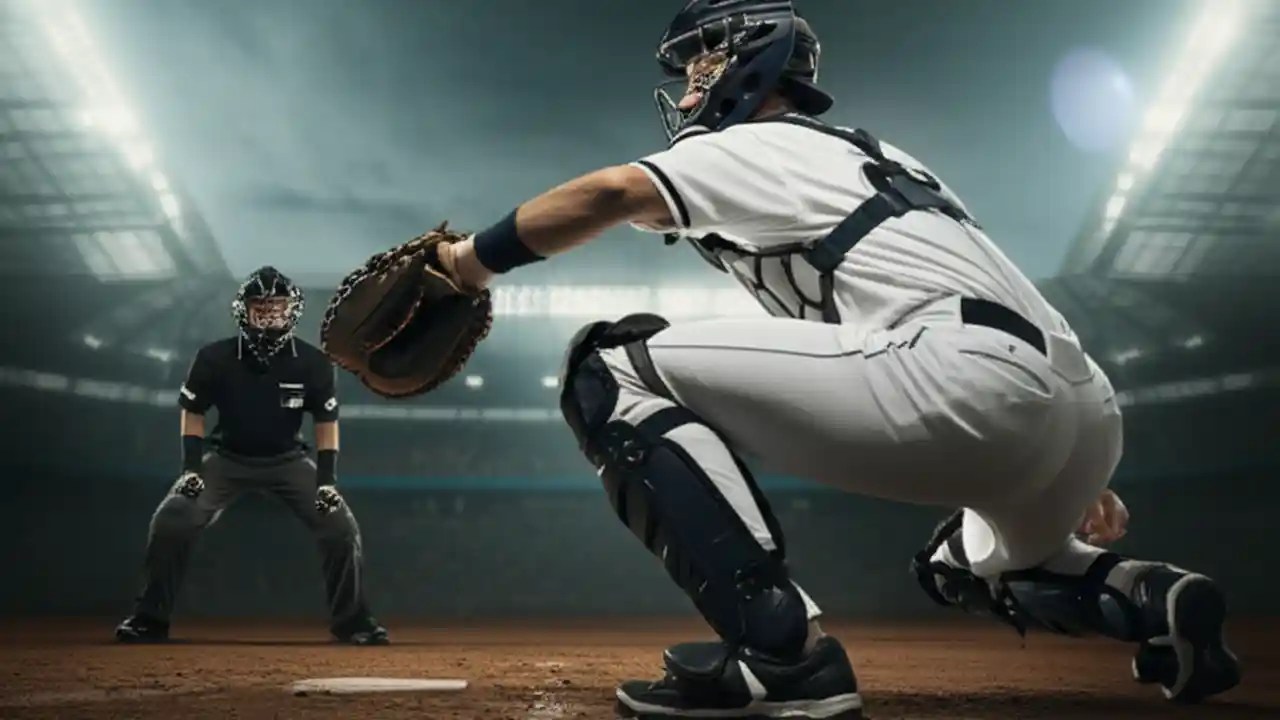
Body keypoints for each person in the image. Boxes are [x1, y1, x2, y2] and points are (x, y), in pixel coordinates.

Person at [432, 1, 1241, 716]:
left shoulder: (757, 142)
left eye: (701, 64)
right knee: (961, 565)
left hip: (960, 378)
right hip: (1075, 401)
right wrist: (1072, 458)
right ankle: (1148, 598)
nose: (685, 91)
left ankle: (781, 658)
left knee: (609, 365)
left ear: (750, 65)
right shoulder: (880, 158)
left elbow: (612, 194)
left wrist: (466, 263)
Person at [115, 266, 388, 645]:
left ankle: (353, 622)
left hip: (288, 461)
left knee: (341, 527)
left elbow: (326, 422)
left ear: (292, 311)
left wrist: (327, 482)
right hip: (227, 458)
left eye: (278, 308)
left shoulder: (313, 362)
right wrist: (191, 469)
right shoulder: (214, 357)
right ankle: (149, 618)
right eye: (261, 307)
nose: (270, 315)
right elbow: (193, 412)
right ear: (243, 310)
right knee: (171, 519)